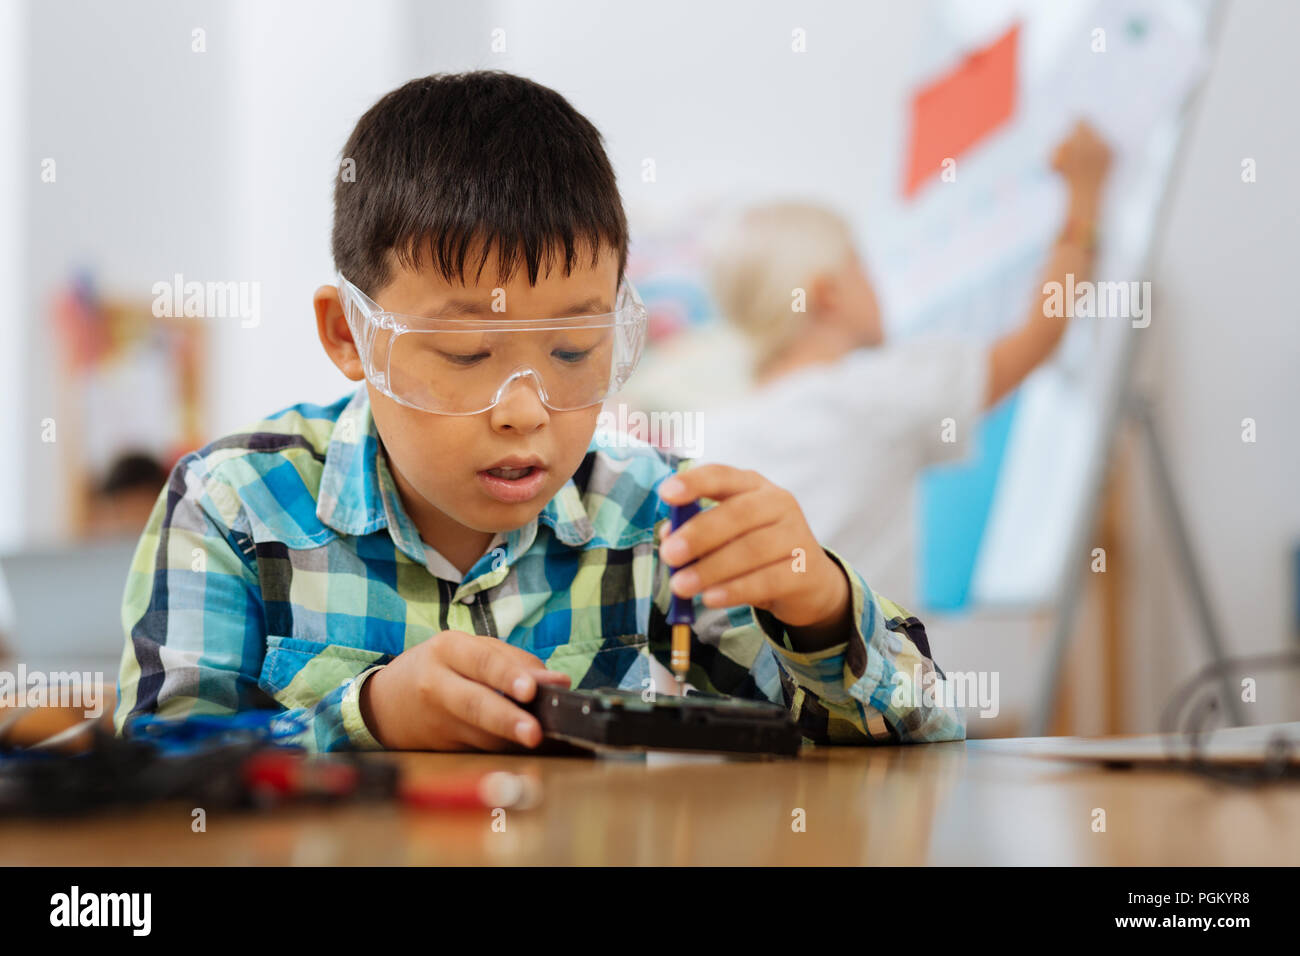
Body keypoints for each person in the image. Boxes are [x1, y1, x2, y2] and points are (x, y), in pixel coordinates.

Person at [114, 71, 964, 752]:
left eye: (571, 353)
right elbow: (154, 776)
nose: (525, 412)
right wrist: (365, 719)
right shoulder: (235, 505)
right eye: (465, 355)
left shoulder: (659, 525)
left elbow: (925, 729)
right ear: (351, 336)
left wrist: (818, 607)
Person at [702, 121, 1113, 607]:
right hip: (866, 674)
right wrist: (1084, 197)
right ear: (827, 293)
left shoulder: (719, 430)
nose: (877, 283)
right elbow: (1040, 336)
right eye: (860, 265)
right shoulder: (880, 393)